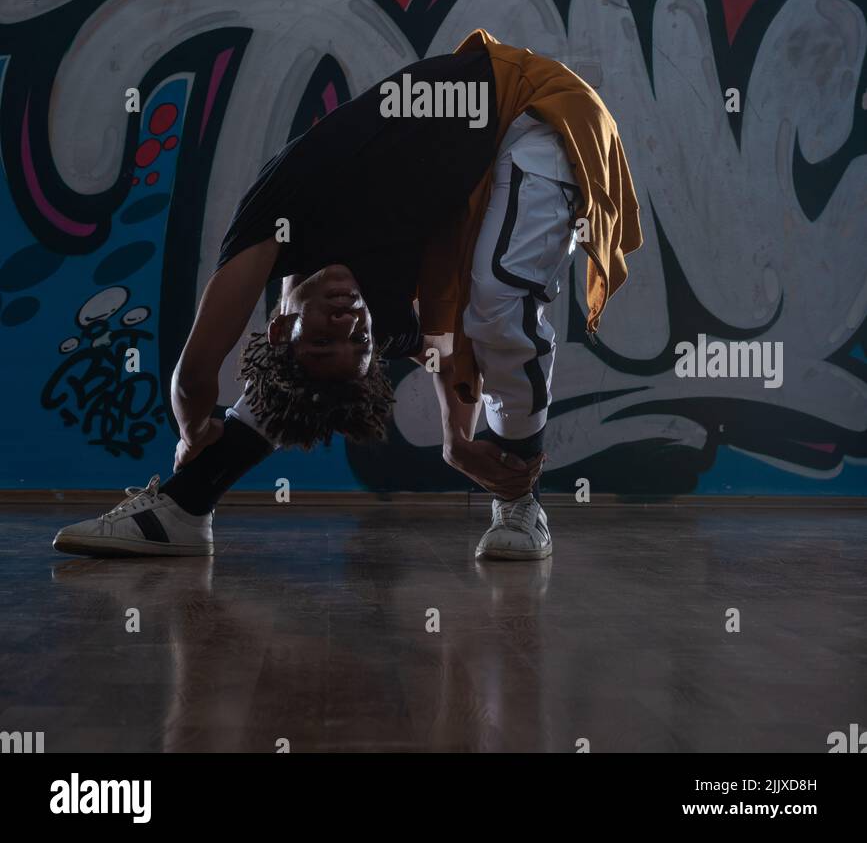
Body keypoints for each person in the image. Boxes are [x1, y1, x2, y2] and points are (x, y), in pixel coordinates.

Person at [53, 30, 642, 562]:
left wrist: (194, 434)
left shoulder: (278, 221)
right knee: (463, 321)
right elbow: (442, 353)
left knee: (491, 300)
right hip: (507, 152)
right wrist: (456, 440)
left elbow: (196, 369)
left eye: (324, 334)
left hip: (537, 105)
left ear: (279, 327)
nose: (347, 319)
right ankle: (185, 510)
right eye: (356, 338)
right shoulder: (374, 313)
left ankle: (518, 503)